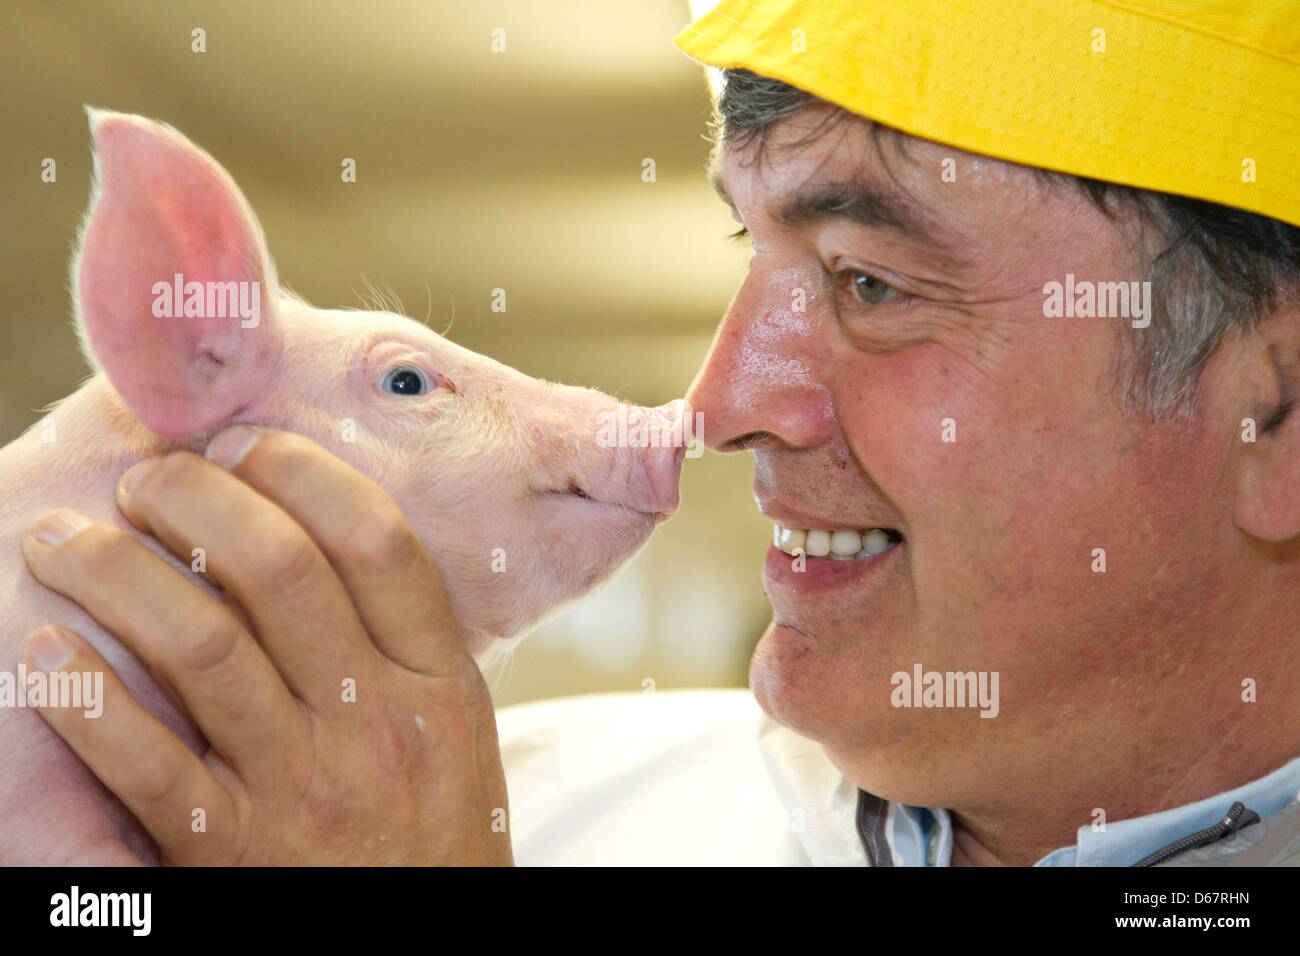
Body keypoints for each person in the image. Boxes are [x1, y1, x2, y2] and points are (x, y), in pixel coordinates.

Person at [17, 0, 1300, 865]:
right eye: (752, 246)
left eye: (869, 282)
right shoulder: (463, 811)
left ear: (1277, 414)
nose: (718, 402)